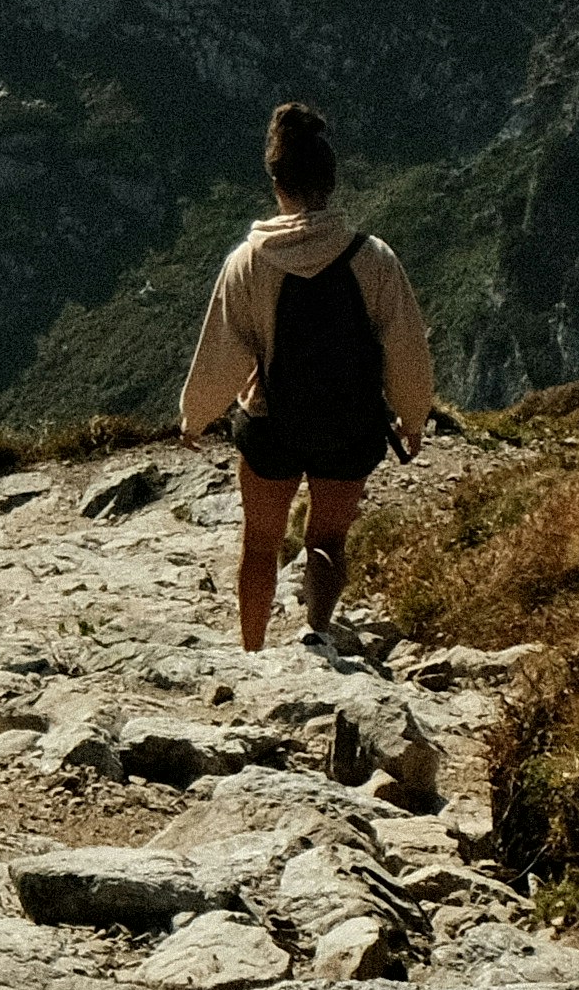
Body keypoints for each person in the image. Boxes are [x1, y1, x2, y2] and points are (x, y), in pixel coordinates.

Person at [177, 101, 435, 652]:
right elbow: (406, 352)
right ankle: (317, 632)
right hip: (350, 425)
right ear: (331, 181)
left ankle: (252, 650)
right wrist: (412, 417)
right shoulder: (374, 259)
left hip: (271, 426)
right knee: (329, 538)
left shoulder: (247, 262)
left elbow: (225, 355)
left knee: (260, 543)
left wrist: (194, 418)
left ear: (275, 181)